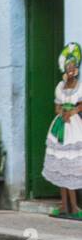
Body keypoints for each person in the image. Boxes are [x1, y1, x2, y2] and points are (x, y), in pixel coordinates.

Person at [45, 42, 82, 217]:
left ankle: (74, 207)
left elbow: (81, 104)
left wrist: (73, 111)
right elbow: (56, 106)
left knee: (70, 164)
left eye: (73, 67)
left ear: (77, 69)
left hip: (73, 127)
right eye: (68, 67)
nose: (71, 70)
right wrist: (62, 112)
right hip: (60, 126)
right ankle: (63, 205)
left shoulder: (79, 86)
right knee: (60, 164)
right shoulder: (60, 87)